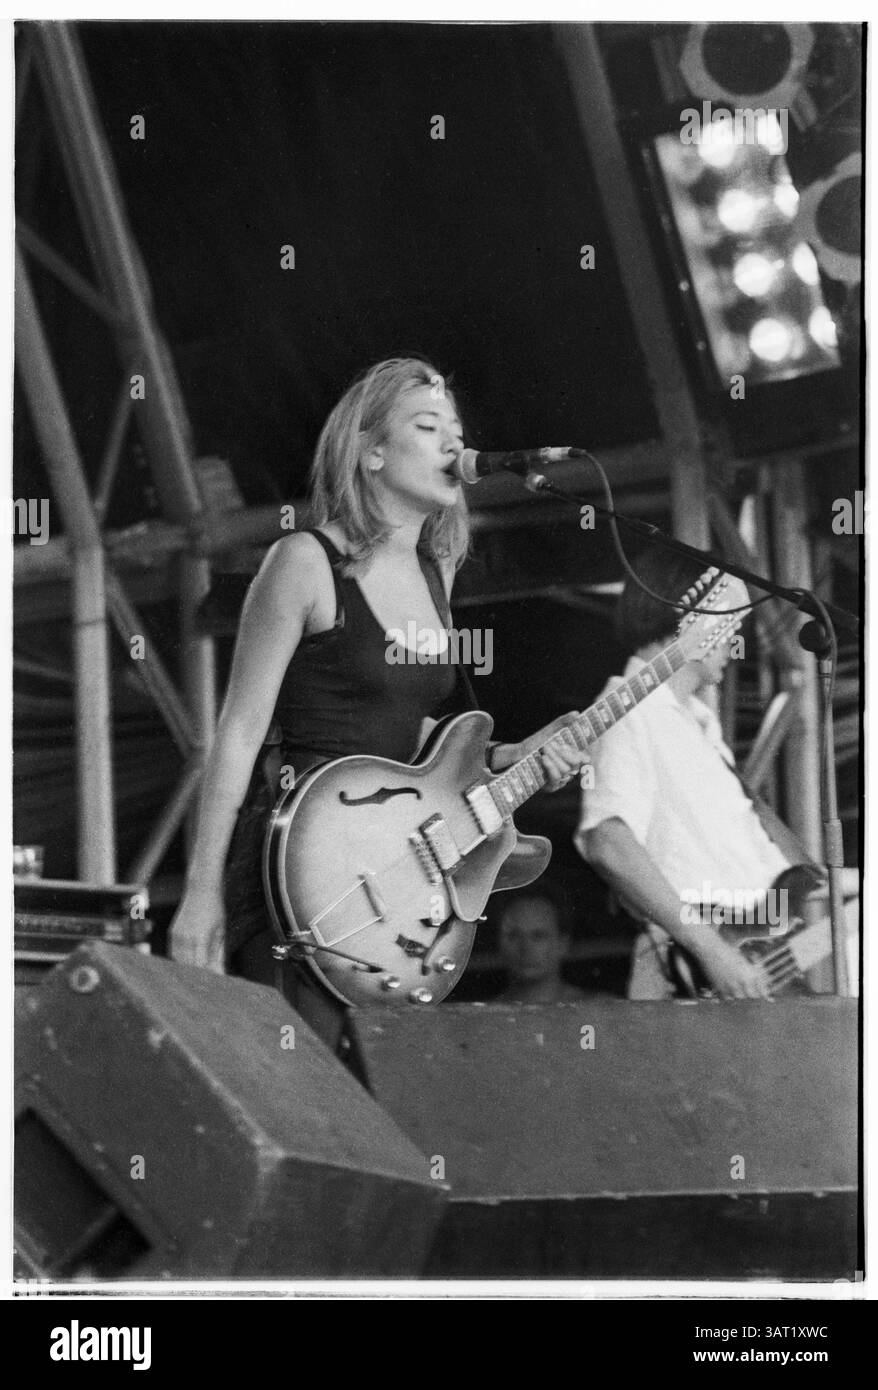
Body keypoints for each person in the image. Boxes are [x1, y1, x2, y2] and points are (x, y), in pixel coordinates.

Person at [170, 358, 590, 1035]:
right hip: (300, 866)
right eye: (428, 427)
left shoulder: (437, 571)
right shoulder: (304, 562)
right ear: (369, 452)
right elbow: (239, 733)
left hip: (395, 876)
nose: (454, 444)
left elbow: (418, 734)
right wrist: (199, 894)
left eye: (457, 429)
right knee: (303, 1091)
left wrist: (518, 752)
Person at [574, 547, 849, 1002]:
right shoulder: (628, 709)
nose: (732, 645)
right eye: (727, 629)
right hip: (692, 973)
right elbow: (608, 841)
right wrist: (712, 951)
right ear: (695, 622)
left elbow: (760, 875)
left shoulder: (696, 725)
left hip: (755, 957)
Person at [494, 883, 586, 1004]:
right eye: (514, 936)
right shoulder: (481, 1018)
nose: (525, 948)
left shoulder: (599, 1012)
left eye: (538, 936)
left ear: (563, 943)